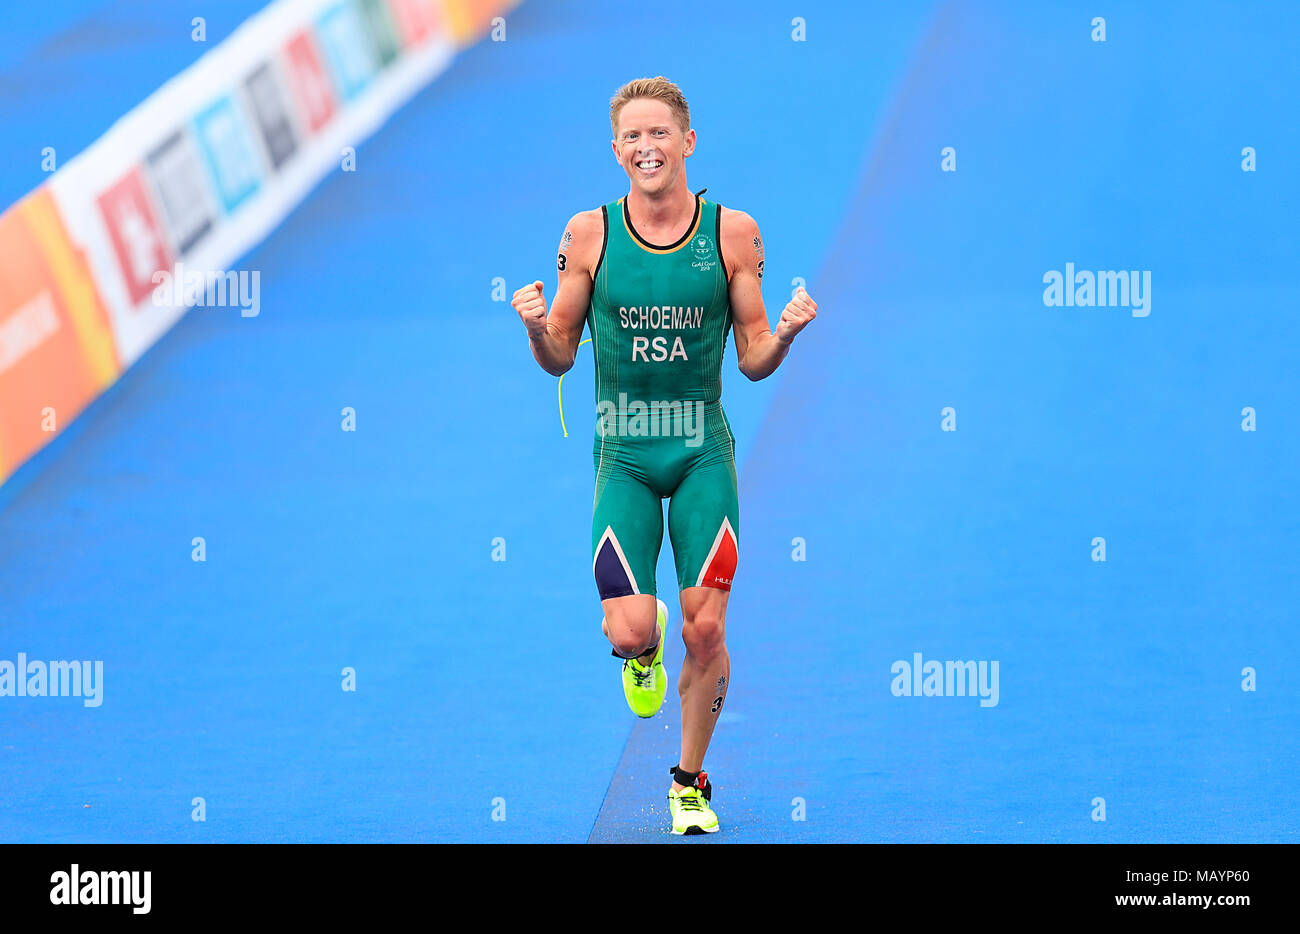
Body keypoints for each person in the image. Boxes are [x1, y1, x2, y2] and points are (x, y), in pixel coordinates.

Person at [511, 77, 818, 835]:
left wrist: (782, 334)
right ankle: (639, 654)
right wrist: (531, 328)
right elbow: (558, 355)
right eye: (632, 137)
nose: (646, 148)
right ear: (616, 151)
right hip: (623, 454)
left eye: (660, 134)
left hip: (700, 452)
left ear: (687, 142)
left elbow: (751, 360)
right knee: (631, 630)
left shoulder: (731, 234)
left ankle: (688, 781)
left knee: (705, 629)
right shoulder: (589, 235)